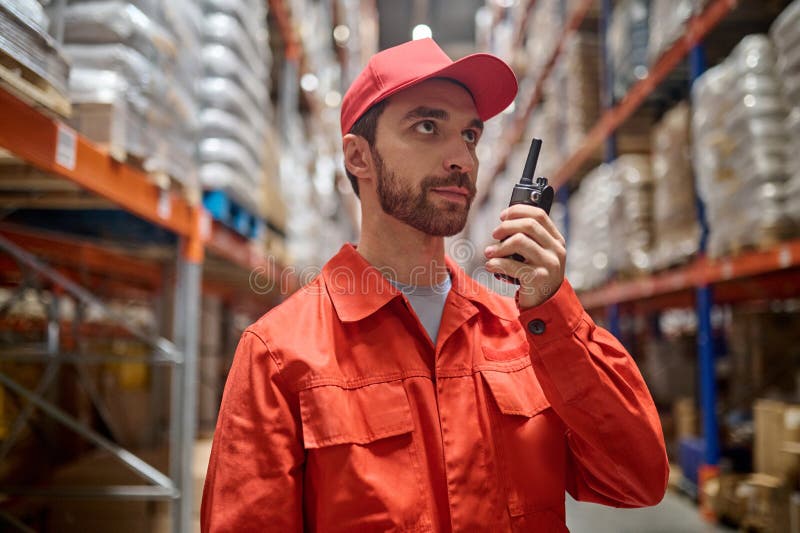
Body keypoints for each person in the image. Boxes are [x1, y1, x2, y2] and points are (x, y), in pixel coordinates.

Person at [201, 38, 668, 532]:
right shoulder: (279, 355)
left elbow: (637, 479)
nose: (462, 160)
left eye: (470, 135)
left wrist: (554, 317)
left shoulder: (527, 336)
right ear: (359, 157)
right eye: (427, 127)